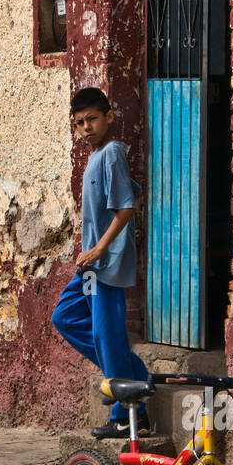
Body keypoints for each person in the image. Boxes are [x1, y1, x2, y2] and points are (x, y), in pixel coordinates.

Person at [51, 87, 150, 437]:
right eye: (79, 123)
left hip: (106, 264)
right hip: (91, 266)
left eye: (92, 119)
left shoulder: (111, 154)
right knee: (64, 317)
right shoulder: (95, 157)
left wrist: (98, 250)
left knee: (106, 335)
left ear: (109, 117)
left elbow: (126, 208)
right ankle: (136, 377)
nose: (87, 127)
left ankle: (124, 416)